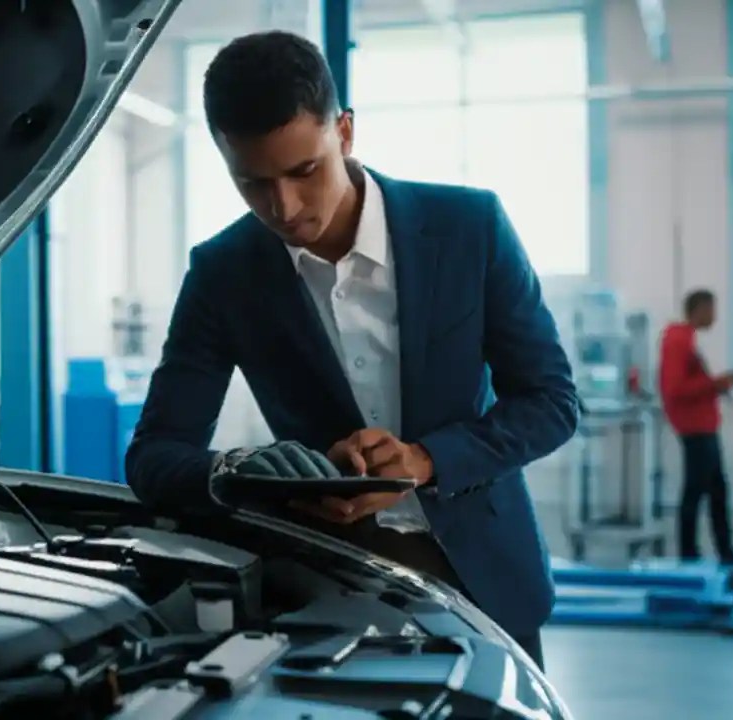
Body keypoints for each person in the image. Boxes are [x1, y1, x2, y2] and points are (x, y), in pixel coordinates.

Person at [124, 31, 579, 669]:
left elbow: (552, 403)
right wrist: (251, 471)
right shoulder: (222, 273)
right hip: (325, 586)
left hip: (488, 582)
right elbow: (153, 457)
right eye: (250, 182)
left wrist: (423, 460)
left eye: (304, 170)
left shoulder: (469, 228)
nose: (281, 206)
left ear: (344, 132)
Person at [657, 289, 733, 566]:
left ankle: (724, 552)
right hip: (694, 428)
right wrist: (716, 384)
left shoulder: (686, 340)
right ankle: (690, 555)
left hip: (703, 425)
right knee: (696, 491)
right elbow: (674, 389)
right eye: (712, 310)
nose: (715, 316)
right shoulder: (678, 341)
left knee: (716, 489)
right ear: (699, 309)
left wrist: (716, 385)